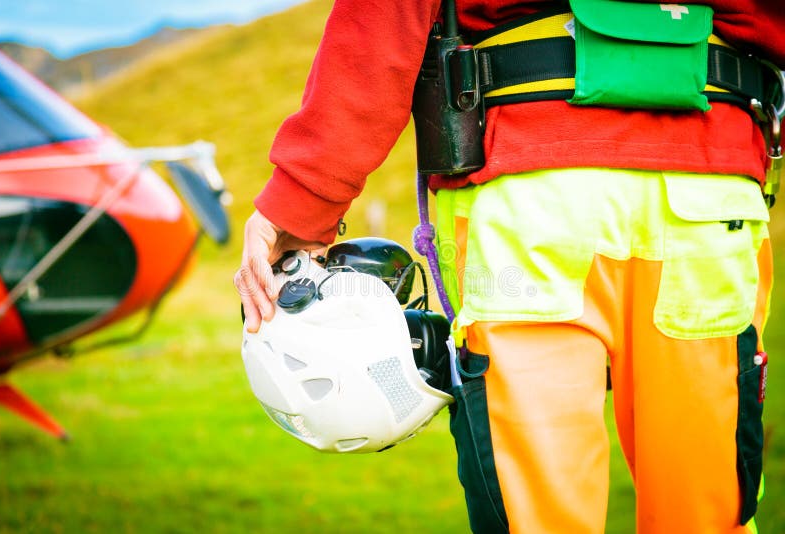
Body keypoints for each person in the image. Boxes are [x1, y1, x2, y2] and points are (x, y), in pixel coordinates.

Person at [234, 1, 785, 532]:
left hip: (528, 203)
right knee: (707, 517)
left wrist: (302, 201)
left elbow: (384, 15)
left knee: (536, 521)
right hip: (710, 198)